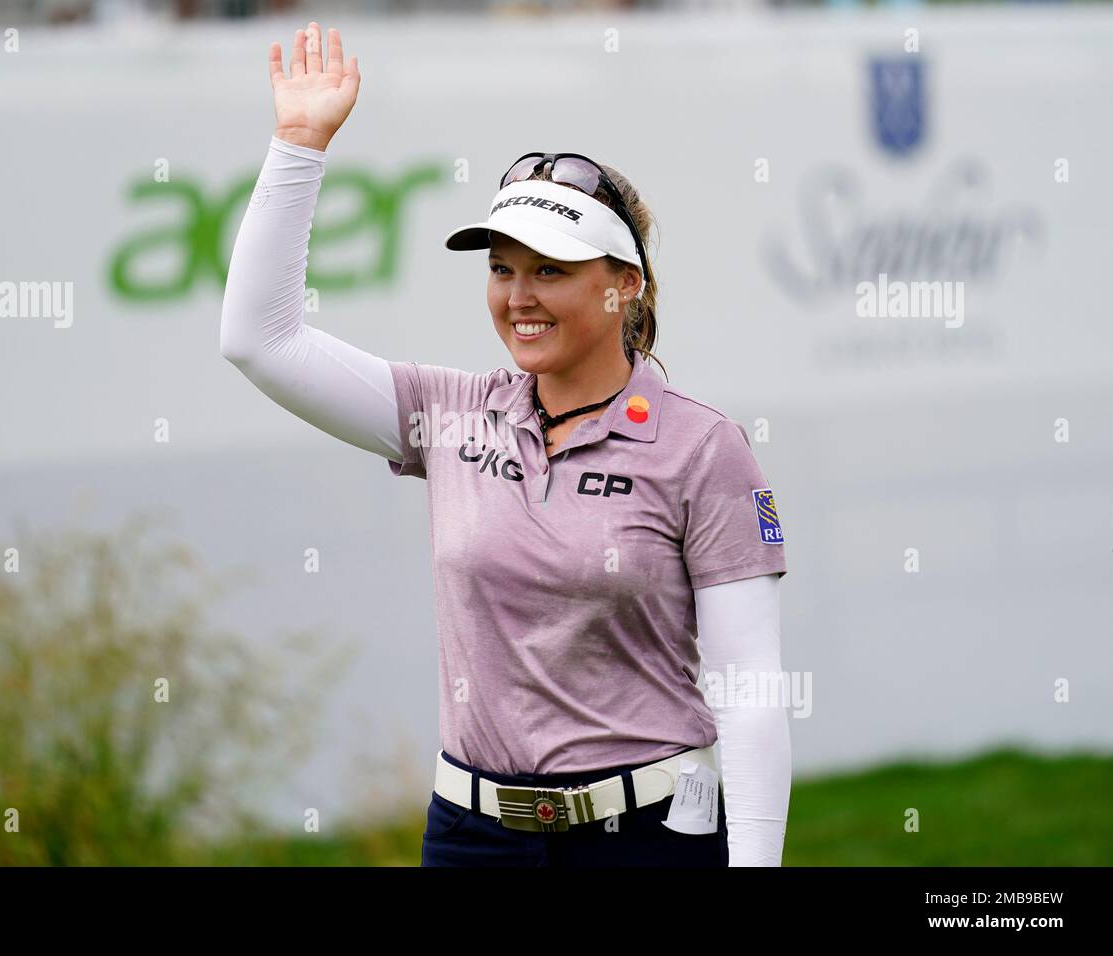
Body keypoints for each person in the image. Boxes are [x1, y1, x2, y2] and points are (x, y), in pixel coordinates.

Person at [220, 21, 791, 866]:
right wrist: (299, 145)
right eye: (501, 267)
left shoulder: (702, 447)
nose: (519, 296)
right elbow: (259, 341)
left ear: (622, 285)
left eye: (552, 270)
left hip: (645, 838)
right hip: (470, 838)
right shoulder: (449, 413)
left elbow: (749, 694)